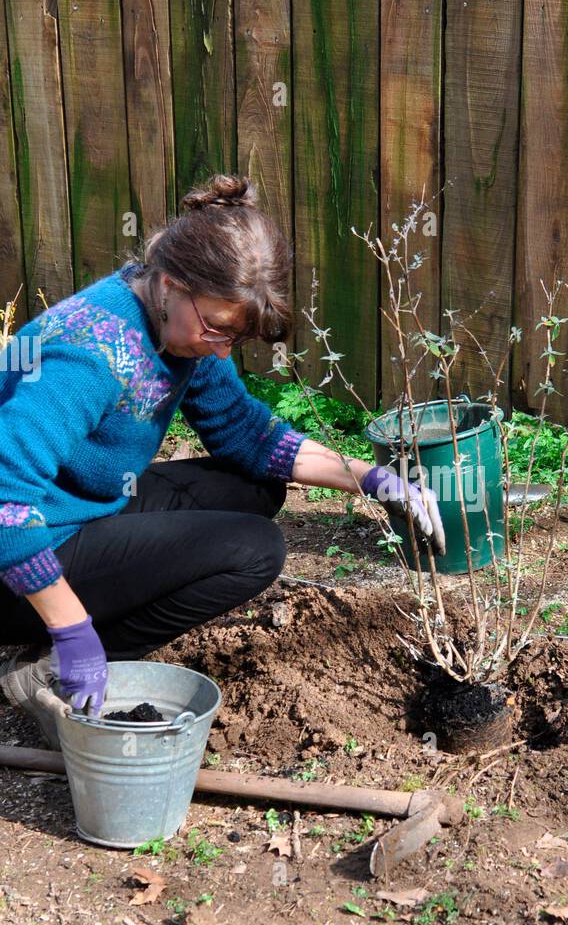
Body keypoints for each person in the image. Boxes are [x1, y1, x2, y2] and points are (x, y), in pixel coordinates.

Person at [0, 174, 444, 748]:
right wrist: (72, 629)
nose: (220, 348)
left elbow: (246, 435)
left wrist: (375, 479)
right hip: (18, 548)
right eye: (215, 328)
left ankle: (68, 620)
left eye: (233, 337)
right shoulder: (89, 356)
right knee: (254, 550)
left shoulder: (177, 326)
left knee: (252, 489)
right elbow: (5, 499)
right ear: (170, 282)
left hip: (76, 508)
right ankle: (56, 663)